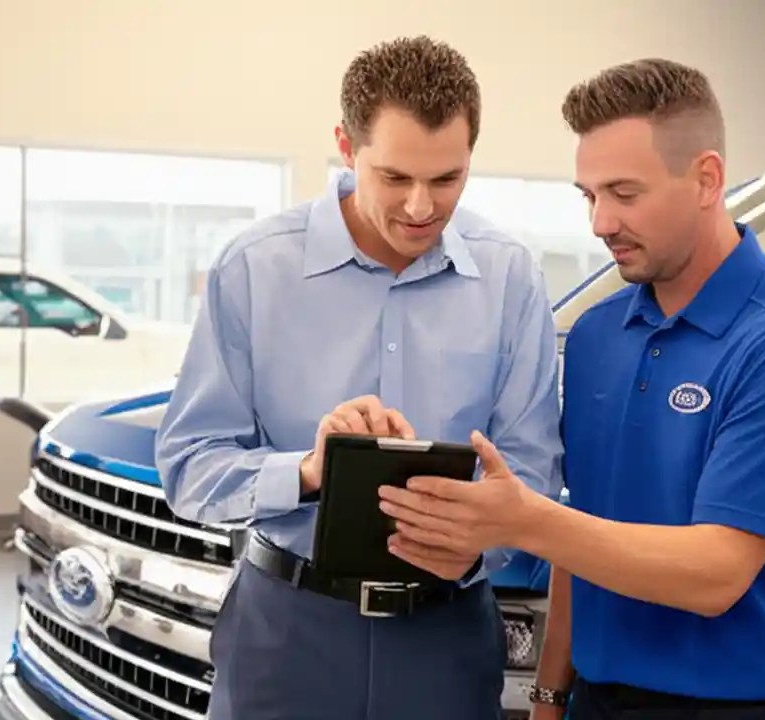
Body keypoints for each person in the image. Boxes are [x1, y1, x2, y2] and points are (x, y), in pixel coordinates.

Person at [379, 57, 765, 719]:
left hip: (743, 708)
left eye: (625, 194)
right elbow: (585, 536)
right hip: (599, 703)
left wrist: (525, 519)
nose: (600, 222)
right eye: (589, 195)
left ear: (707, 179)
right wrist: (551, 697)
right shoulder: (596, 338)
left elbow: (716, 575)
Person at [155, 35, 564, 720]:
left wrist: (468, 539)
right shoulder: (254, 269)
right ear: (346, 147)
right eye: (396, 178)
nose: (420, 208)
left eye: (447, 180)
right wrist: (310, 470)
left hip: (447, 634)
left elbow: (532, 473)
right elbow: (189, 468)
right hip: (286, 632)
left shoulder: (510, 277)